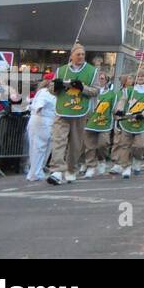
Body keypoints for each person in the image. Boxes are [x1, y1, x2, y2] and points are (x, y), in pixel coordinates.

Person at [46, 44, 101, 185]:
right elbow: (52, 89)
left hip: (80, 111)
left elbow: (96, 91)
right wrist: (55, 86)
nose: (81, 56)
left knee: (76, 144)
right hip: (62, 110)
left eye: (83, 54)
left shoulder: (92, 71)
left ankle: (71, 169)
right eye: (78, 54)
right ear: (71, 56)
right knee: (58, 140)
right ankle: (57, 170)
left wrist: (82, 87)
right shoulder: (61, 70)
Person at [113, 70, 144, 179]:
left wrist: (143, 114)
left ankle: (137, 160)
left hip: (141, 123)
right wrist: (119, 110)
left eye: (142, 76)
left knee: (140, 146)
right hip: (127, 122)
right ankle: (126, 167)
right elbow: (122, 101)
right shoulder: (129, 90)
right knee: (125, 145)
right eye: (138, 76)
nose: (140, 78)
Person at [83, 71, 121, 178]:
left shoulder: (112, 94)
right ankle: (90, 166)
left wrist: (118, 115)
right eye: (99, 78)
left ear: (107, 81)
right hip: (90, 123)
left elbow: (114, 109)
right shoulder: (90, 93)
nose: (100, 80)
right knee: (89, 146)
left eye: (102, 78)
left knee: (103, 144)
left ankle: (101, 160)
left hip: (104, 124)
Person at [24, 77, 56, 181]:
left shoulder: (53, 94)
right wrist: (37, 108)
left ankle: (38, 171)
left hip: (47, 121)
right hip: (41, 120)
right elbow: (39, 104)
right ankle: (34, 173)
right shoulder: (44, 92)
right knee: (38, 148)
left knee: (45, 148)